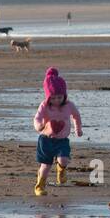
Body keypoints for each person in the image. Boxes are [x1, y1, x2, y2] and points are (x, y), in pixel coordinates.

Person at [32, 67, 83, 196]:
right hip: (46, 140)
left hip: (62, 140)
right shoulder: (44, 105)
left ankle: (61, 171)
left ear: (64, 95)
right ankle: (40, 186)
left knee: (64, 159)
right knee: (46, 166)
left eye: (59, 97)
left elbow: (76, 116)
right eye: (53, 98)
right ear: (48, 96)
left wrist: (78, 129)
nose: (56, 100)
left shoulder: (69, 105)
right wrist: (39, 126)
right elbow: (37, 118)